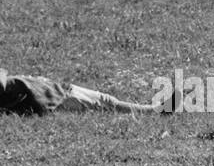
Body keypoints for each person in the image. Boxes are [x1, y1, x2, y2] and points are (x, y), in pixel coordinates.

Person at [1, 69, 160, 116]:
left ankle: (153, 109)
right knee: (104, 105)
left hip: (50, 88)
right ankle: (154, 111)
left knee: (107, 100)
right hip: (50, 99)